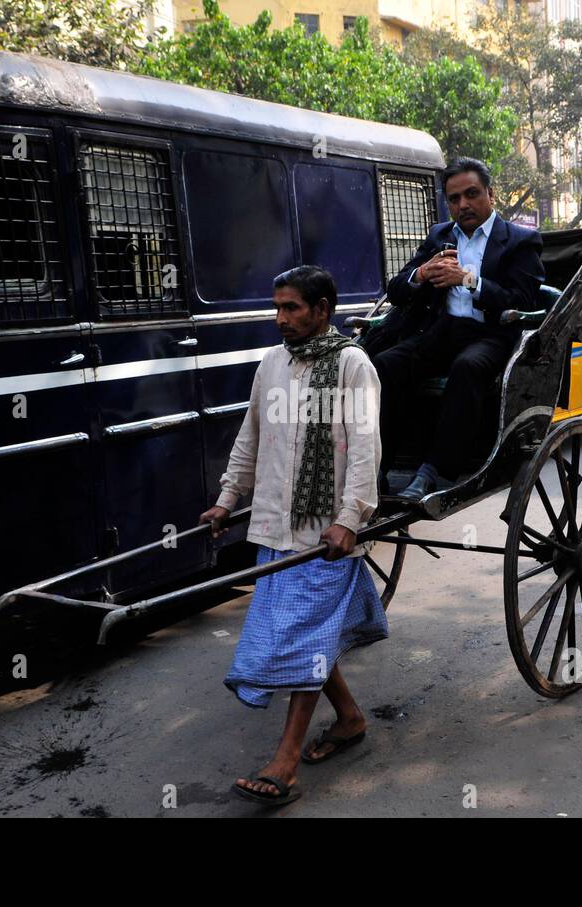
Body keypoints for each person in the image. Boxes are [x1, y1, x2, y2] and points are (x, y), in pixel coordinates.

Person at [199, 265, 384, 807]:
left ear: (322, 309)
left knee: (303, 635)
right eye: (277, 308)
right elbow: (250, 436)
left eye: (292, 309)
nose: (280, 319)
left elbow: (365, 446)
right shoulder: (272, 363)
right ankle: (348, 718)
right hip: (276, 524)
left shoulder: (353, 365)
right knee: (304, 629)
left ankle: (285, 761)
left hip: (325, 530)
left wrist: (351, 518)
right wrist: (227, 499)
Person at [371, 157, 544, 501]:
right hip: (441, 332)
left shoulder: (519, 241)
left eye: (471, 194)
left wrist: (468, 280)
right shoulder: (439, 236)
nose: (463, 205)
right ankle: (378, 467)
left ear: (490, 195)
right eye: (454, 199)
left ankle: (434, 471)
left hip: (493, 334)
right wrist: (421, 275)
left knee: (467, 367)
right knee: (385, 365)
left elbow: (522, 301)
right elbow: (396, 289)